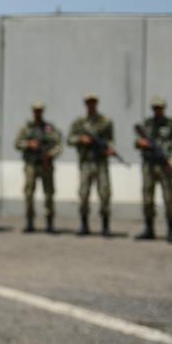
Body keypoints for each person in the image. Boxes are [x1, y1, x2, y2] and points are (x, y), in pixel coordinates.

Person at [68, 93, 117, 236]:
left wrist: (108, 148)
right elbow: (70, 139)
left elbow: (111, 141)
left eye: (93, 102)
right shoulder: (79, 122)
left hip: (101, 163)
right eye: (89, 102)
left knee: (105, 193)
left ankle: (105, 226)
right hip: (85, 163)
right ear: (85, 104)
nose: (91, 105)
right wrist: (81, 139)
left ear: (96, 104)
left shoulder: (105, 121)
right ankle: (84, 225)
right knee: (83, 194)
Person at [14, 101, 63, 233]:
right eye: (36, 110)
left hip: (46, 164)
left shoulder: (49, 128)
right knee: (29, 193)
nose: (38, 113)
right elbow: (17, 143)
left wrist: (49, 155)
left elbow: (59, 145)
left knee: (49, 194)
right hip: (31, 164)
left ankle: (49, 222)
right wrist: (29, 144)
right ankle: (30, 222)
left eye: (40, 110)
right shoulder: (26, 128)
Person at [134, 96, 172, 243]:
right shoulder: (147, 124)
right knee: (147, 198)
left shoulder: (171, 124)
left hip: (164, 166)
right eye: (155, 108)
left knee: (168, 198)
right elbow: (137, 142)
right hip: (149, 165)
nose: (157, 110)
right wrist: (141, 143)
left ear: (164, 108)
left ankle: (171, 230)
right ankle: (149, 229)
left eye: (159, 108)